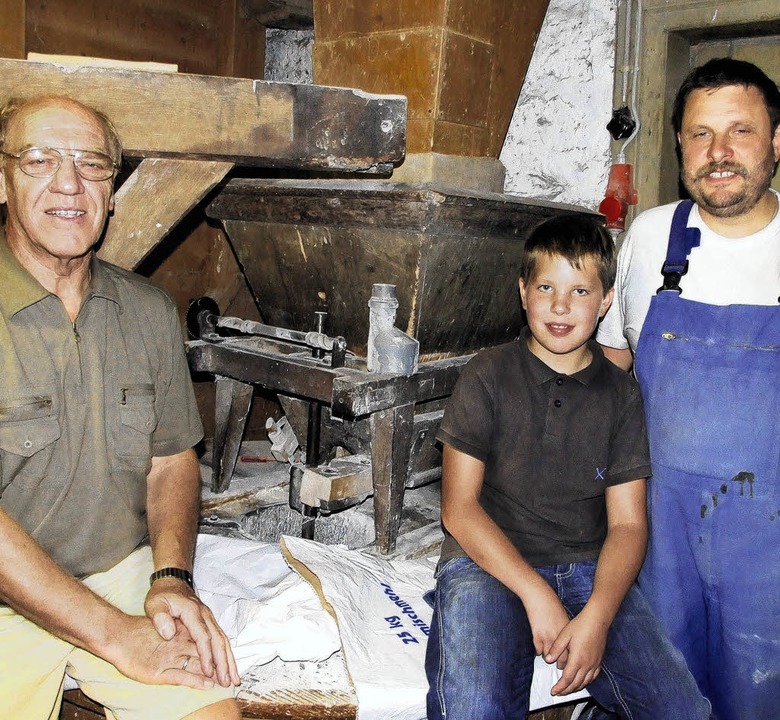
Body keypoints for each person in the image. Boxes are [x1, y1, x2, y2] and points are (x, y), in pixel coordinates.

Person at [0, 95, 242, 719]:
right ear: (0, 180)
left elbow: (171, 461)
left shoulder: (148, 309)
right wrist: (113, 635)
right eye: (39, 159)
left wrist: (170, 577)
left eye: (92, 164)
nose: (68, 183)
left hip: (121, 576)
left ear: (112, 190)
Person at [424, 214, 710, 719]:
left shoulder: (621, 395)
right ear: (523, 292)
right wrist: (536, 595)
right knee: (472, 708)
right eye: (546, 287)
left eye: (580, 291)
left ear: (605, 302)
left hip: (587, 566)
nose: (560, 306)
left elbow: (627, 524)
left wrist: (597, 617)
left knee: (681, 708)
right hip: (486, 561)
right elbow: (459, 510)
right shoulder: (486, 374)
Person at [597, 57, 780, 720]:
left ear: (777, 142)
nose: (720, 153)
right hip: (661, 549)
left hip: (770, 563)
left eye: (741, 132)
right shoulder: (649, 238)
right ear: (679, 145)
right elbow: (611, 370)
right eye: (701, 134)